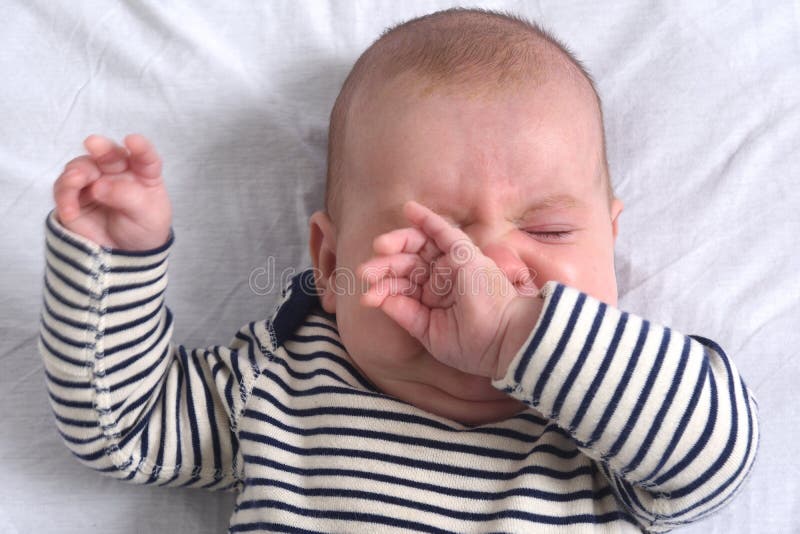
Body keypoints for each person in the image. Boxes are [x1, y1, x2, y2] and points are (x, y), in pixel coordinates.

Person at [40, 8, 758, 533]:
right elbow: (124, 427)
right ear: (331, 263)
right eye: (427, 239)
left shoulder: (613, 409)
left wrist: (518, 336)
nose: (485, 266)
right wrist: (115, 265)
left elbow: (716, 460)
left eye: (548, 229)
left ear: (610, 238)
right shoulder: (284, 379)